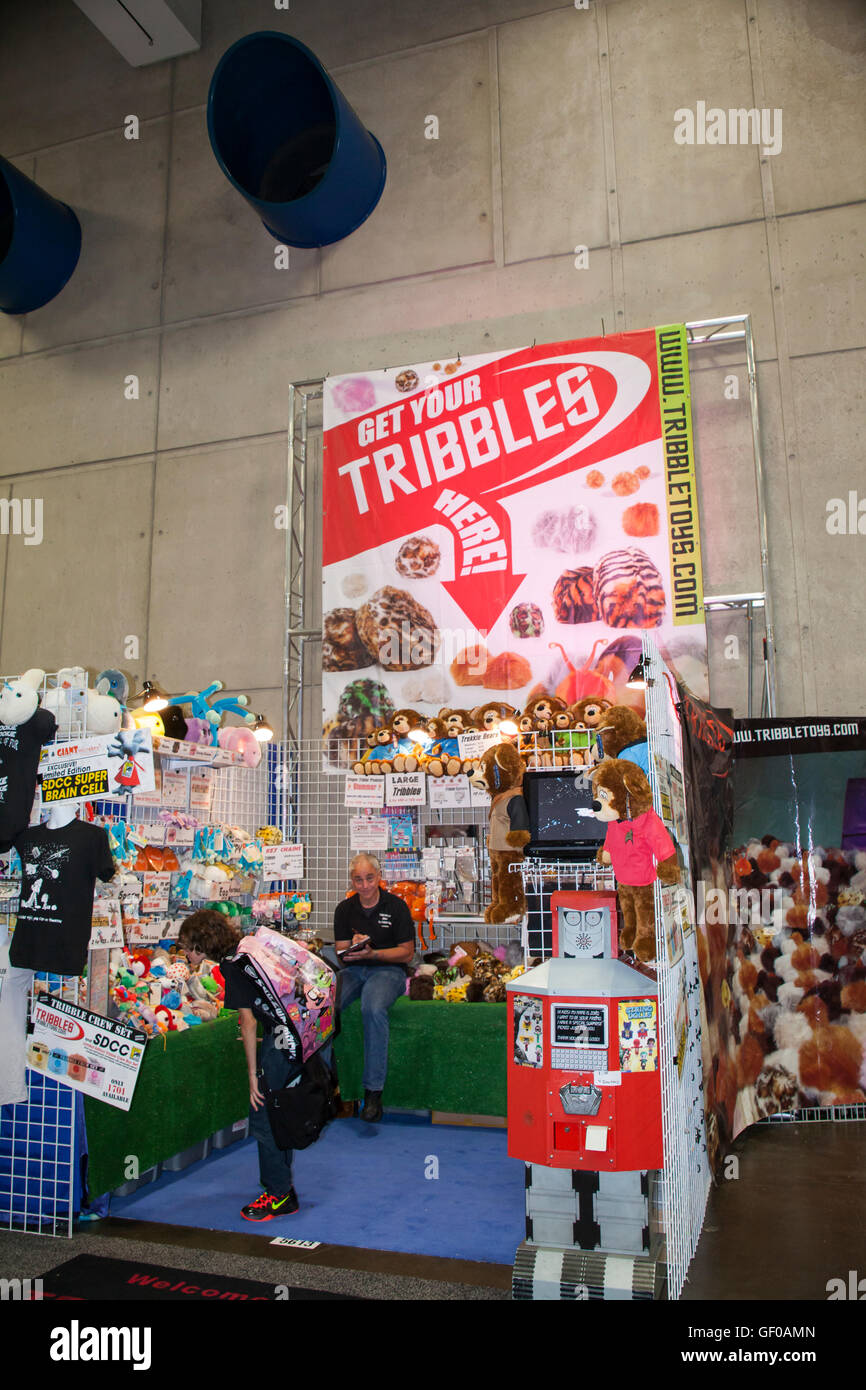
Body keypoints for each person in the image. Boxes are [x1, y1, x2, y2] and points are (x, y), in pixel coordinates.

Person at [176, 908, 299, 1223]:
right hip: (296, 1033)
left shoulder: (233, 965)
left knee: (262, 1118)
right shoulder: (247, 945)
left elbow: (247, 1023)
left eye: (188, 946)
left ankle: (278, 1193)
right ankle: (283, 1187)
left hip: (280, 1037)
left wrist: (252, 1074)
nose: (185, 953)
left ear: (202, 946)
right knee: (278, 1111)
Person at [333, 853, 416, 1123]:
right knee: (324, 1005)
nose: (365, 885)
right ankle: (323, 1083)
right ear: (352, 881)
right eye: (359, 879)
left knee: (372, 1007)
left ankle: (373, 1093)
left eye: (370, 878)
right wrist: (353, 949)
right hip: (355, 969)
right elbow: (340, 953)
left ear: (379, 877)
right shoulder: (344, 909)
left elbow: (406, 954)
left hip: (388, 970)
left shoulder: (397, 907)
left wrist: (373, 954)